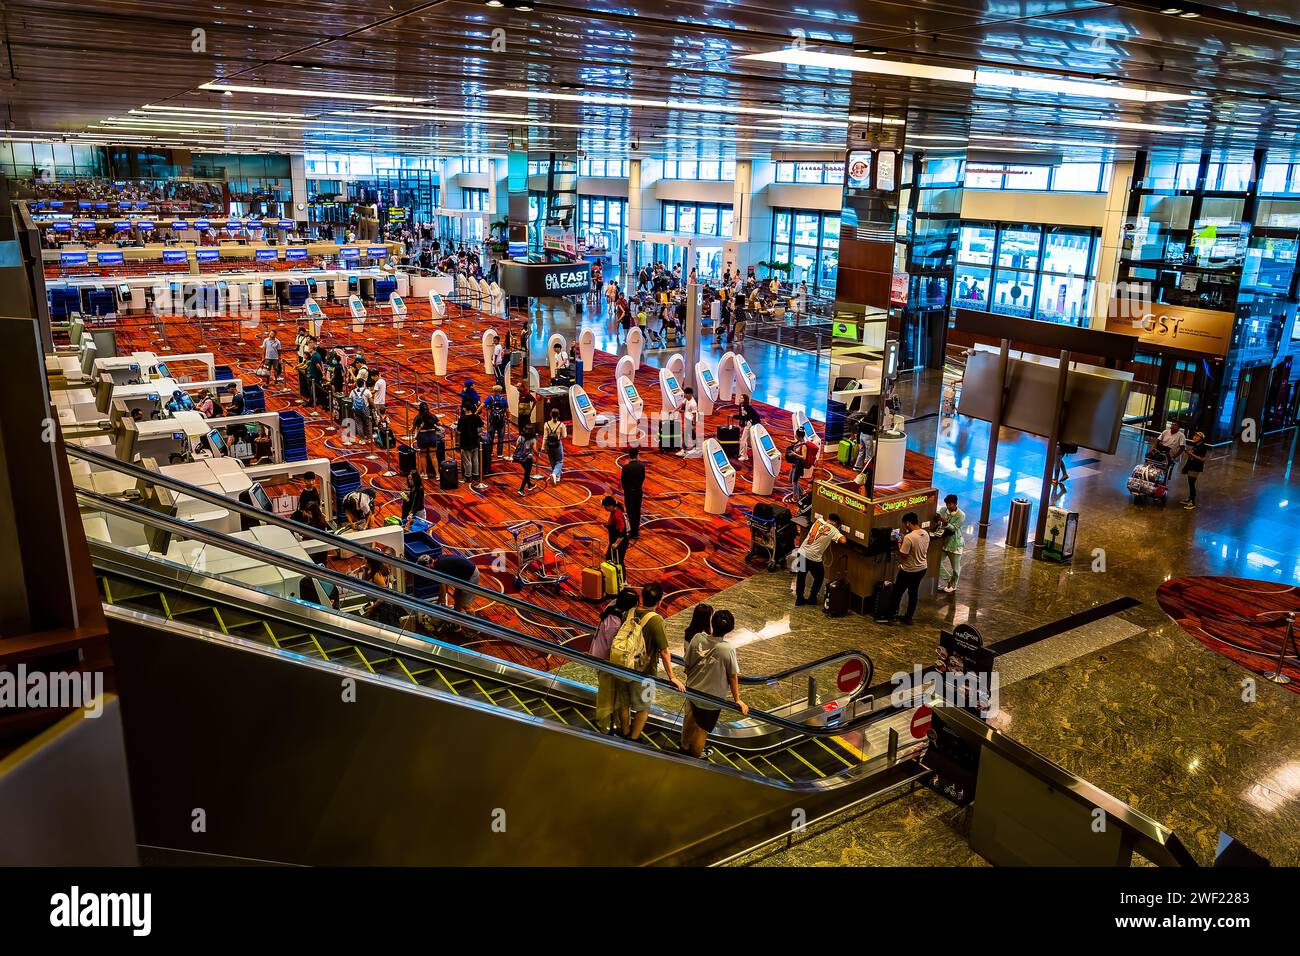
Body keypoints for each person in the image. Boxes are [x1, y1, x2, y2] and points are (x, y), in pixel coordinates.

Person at [613, 582, 684, 742]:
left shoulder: (630, 612)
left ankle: (624, 733)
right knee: (643, 707)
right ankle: (634, 738)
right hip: (645, 672)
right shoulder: (656, 620)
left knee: (623, 703)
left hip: (623, 665)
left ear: (642, 597)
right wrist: (671, 676)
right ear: (659, 602)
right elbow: (665, 651)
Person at [680, 609, 747, 759]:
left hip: (693, 690)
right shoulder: (727, 649)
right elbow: (733, 676)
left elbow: (687, 664)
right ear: (729, 629)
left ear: (712, 622)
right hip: (712, 699)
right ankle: (694, 759)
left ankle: (683, 747)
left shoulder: (697, 638)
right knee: (702, 730)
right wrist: (737, 699)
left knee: (690, 719)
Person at [594, 588, 639, 733]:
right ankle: (604, 725)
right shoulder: (614, 621)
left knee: (613, 692)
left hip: (603, 656)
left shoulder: (613, 604)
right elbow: (613, 647)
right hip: (605, 661)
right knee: (606, 695)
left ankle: (615, 722)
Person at [794, 513, 847, 607]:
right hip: (813, 558)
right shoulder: (834, 530)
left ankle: (799, 599)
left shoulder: (819, 520)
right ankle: (812, 598)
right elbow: (843, 540)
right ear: (835, 523)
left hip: (802, 552)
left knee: (801, 576)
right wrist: (837, 532)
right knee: (819, 577)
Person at [892, 512, 929, 625]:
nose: (905, 526)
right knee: (913, 593)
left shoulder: (909, 537)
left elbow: (903, 555)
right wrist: (905, 539)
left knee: (897, 592)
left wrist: (899, 542)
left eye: (905, 524)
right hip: (922, 568)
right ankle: (908, 617)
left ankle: (891, 615)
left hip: (909, 570)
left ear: (908, 523)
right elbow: (916, 543)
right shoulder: (925, 533)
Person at [934, 494, 965, 594]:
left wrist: (945, 523)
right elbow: (937, 515)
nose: (948, 506)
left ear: (956, 503)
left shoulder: (961, 515)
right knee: (936, 562)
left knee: (956, 569)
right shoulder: (943, 510)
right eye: (947, 504)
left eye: (950, 504)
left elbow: (954, 528)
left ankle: (953, 585)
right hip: (944, 543)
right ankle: (948, 580)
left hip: (955, 544)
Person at [411, 401, 444, 476]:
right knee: (433, 456)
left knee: (423, 456)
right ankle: (437, 474)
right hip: (432, 436)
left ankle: (425, 474)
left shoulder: (417, 417)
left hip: (422, 436)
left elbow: (412, 429)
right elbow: (440, 423)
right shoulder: (432, 416)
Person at [621, 447, 646, 540]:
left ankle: (634, 532)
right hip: (638, 491)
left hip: (629, 493)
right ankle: (636, 530)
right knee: (637, 511)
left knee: (630, 512)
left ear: (629, 456)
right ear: (637, 456)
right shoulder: (641, 466)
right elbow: (643, 478)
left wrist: (626, 490)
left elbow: (623, 481)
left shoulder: (626, 467)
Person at [1182, 428, 1208, 510]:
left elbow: (1202, 459)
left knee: (1192, 484)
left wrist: (1191, 454)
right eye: (1194, 435)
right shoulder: (1196, 445)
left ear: (1201, 438)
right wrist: (1189, 453)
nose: (1195, 437)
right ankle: (1189, 499)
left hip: (1195, 467)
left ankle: (1192, 502)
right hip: (1191, 465)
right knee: (1190, 483)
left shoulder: (1202, 446)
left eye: (1197, 436)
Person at [602, 494, 630, 568]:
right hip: (616, 540)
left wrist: (616, 543)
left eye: (605, 506)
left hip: (620, 542)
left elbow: (623, 532)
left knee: (619, 561)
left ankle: (622, 579)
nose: (605, 508)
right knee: (609, 557)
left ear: (611, 506)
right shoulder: (616, 509)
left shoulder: (616, 516)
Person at [457, 404, 483, 484]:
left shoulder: (462, 419)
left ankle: (468, 477)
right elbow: (481, 425)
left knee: (467, 460)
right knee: (475, 459)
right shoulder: (476, 417)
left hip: (465, 442)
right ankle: (476, 475)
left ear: (465, 408)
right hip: (475, 441)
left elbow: (459, 431)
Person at [786, 428, 810, 504]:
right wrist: (788, 440)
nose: (795, 435)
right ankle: (802, 492)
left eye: (796, 434)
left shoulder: (804, 446)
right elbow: (795, 443)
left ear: (799, 436)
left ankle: (795, 498)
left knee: (794, 482)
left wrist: (794, 454)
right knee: (790, 480)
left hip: (798, 466)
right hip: (794, 464)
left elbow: (804, 457)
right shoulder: (798, 442)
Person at [484, 385, 508, 459]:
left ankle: (490, 452)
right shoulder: (503, 400)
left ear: (493, 391)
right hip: (501, 421)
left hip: (492, 421)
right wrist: (508, 417)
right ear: (500, 391)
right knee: (501, 437)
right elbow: (507, 410)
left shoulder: (490, 398)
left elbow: (482, 405)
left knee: (490, 437)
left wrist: (476, 412)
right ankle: (499, 454)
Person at [543, 408, 566, 484]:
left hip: (549, 445)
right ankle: (554, 474)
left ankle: (557, 476)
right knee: (559, 461)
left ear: (550, 415)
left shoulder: (546, 424)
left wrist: (543, 447)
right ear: (558, 415)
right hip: (557, 444)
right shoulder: (561, 425)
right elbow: (564, 436)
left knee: (552, 460)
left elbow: (545, 437)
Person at [513, 425, 538, 496]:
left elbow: (517, 445)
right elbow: (534, 449)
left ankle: (530, 485)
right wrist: (537, 454)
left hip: (520, 457)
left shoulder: (520, 437)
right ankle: (521, 489)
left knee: (527, 471)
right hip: (528, 458)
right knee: (527, 473)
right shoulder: (533, 439)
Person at [736, 394, 761, 462]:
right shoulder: (741, 406)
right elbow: (741, 417)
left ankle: (744, 455)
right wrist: (734, 416)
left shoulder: (746, 407)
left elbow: (747, 417)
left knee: (743, 439)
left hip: (751, 423)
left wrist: (746, 417)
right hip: (749, 422)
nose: (740, 399)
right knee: (749, 439)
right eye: (740, 398)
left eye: (742, 398)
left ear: (744, 400)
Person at [348, 377, 372, 444]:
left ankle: (362, 440)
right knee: (368, 423)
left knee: (359, 425)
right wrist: (374, 408)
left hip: (356, 410)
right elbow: (371, 401)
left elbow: (351, 400)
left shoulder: (353, 391)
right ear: (363, 384)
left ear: (357, 384)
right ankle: (370, 438)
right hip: (365, 409)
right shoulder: (367, 391)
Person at [678, 386, 700, 457]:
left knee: (685, 434)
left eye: (687, 394)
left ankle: (683, 450)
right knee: (692, 434)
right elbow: (682, 404)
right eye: (685, 393)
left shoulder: (693, 404)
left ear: (691, 394)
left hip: (691, 421)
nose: (685, 395)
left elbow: (694, 415)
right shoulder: (686, 399)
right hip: (687, 419)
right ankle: (696, 447)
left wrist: (694, 425)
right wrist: (674, 410)